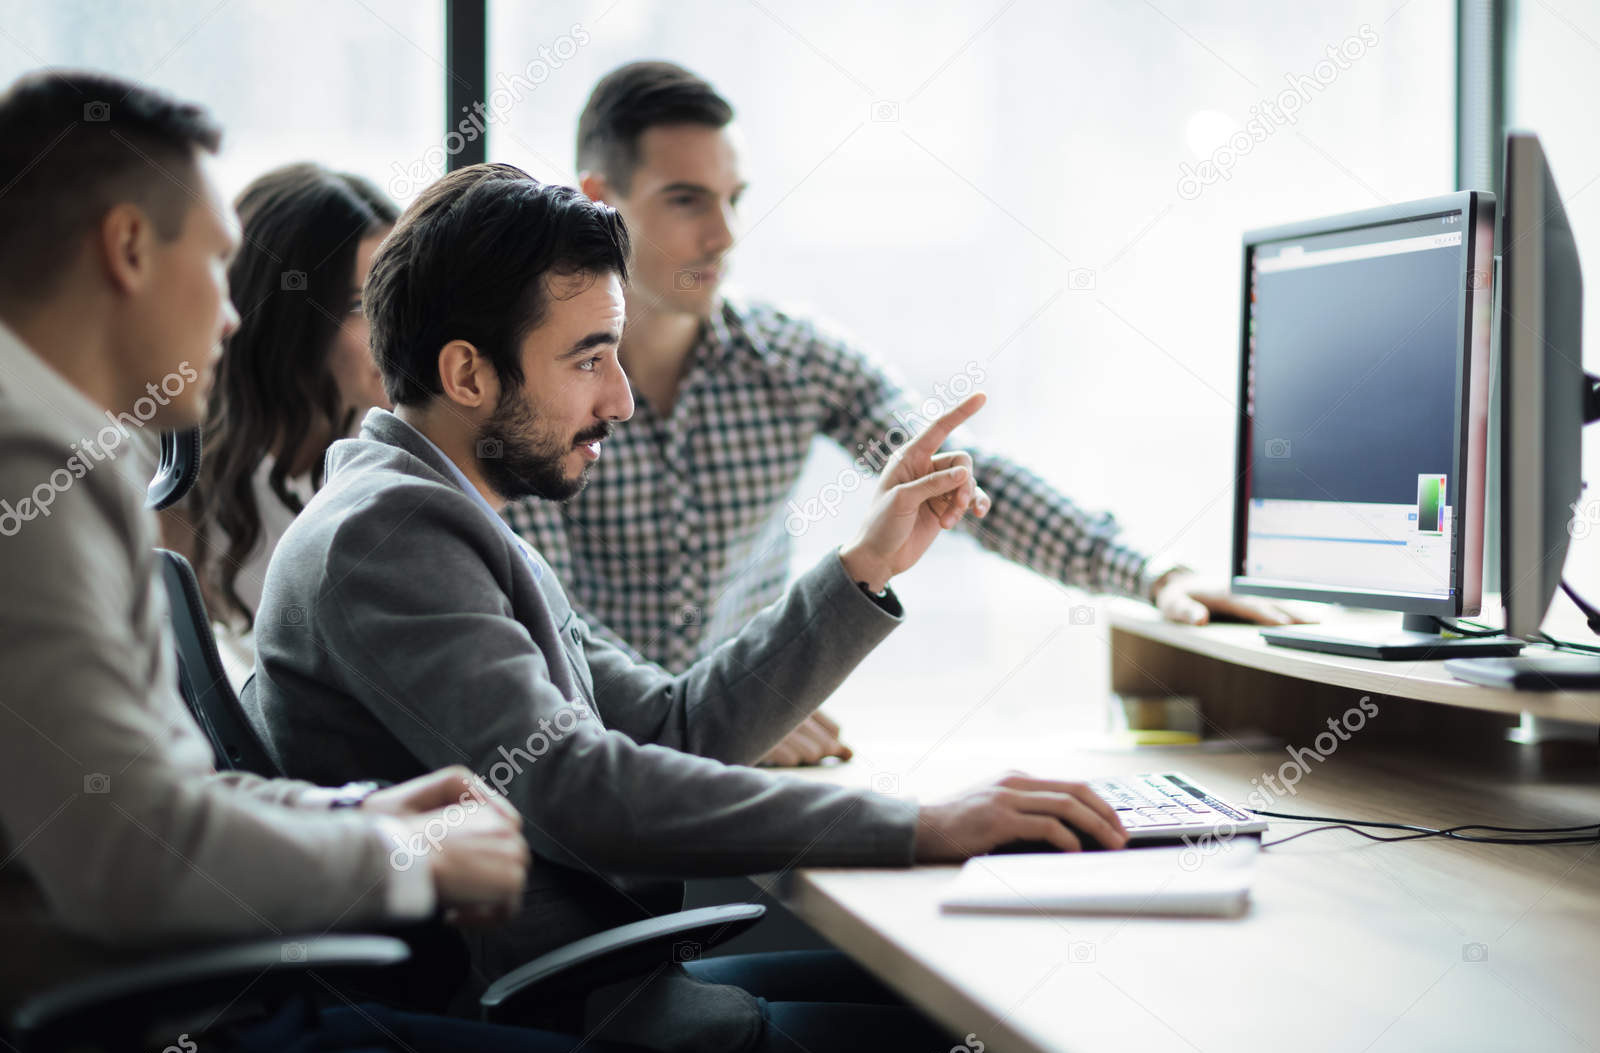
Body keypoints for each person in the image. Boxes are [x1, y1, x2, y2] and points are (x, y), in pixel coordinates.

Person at [246, 161, 1132, 1053]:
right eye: (589, 359)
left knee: (958, 1010)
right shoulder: (389, 538)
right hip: (550, 1020)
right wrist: (921, 826)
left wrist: (862, 567)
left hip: (598, 987)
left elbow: (678, 723)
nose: (621, 401)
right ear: (468, 373)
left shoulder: (445, 515)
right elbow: (576, 791)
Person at [0, 69, 650, 1053]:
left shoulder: (68, 463)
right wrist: (400, 853)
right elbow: (127, 858)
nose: (229, 317)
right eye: (217, 265)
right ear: (127, 247)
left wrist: (354, 811)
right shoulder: (30, 470)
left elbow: (144, 800)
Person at [503, 61, 1299, 766]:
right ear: (598, 201)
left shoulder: (790, 358)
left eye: (734, 199)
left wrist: (1151, 573)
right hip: (601, 780)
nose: (725, 234)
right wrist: (727, 717)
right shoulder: (535, 392)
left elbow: (953, 477)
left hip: (741, 772)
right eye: (687, 201)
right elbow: (552, 633)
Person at [159, 163, 398, 685]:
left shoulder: (404, 447)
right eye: (360, 305)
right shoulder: (180, 473)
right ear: (288, 320)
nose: (395, 329)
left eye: (398, 293)